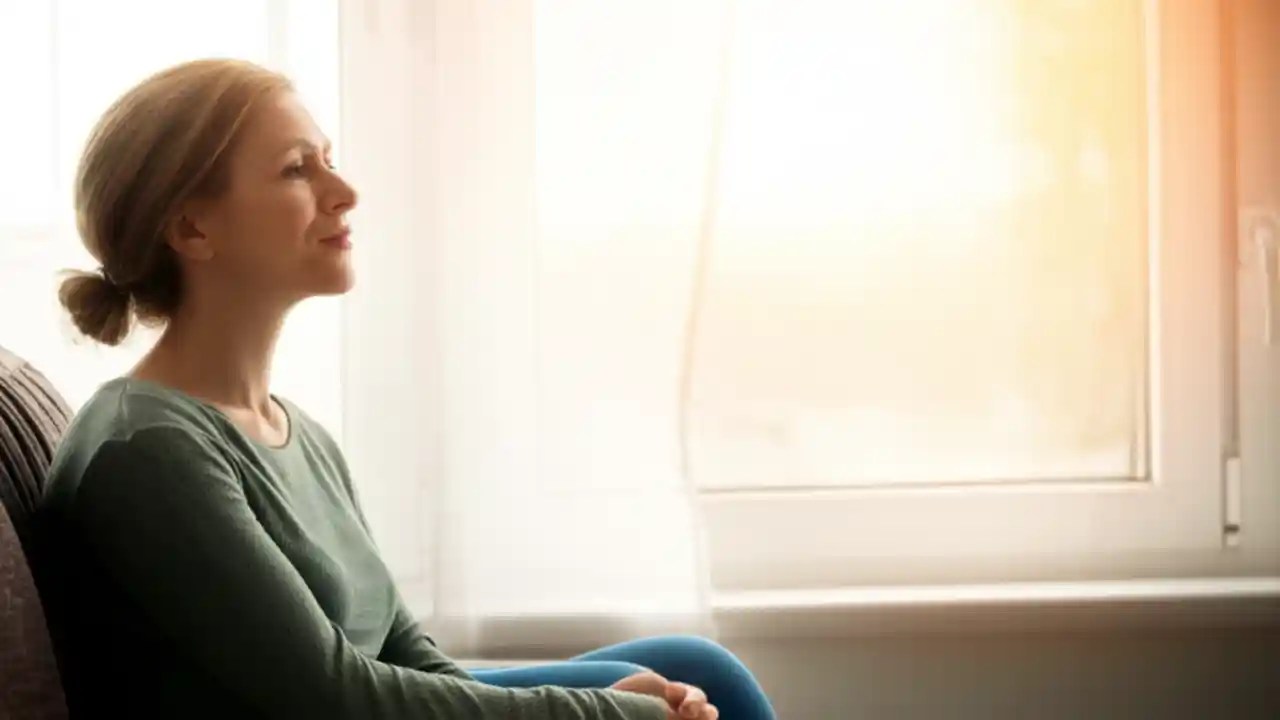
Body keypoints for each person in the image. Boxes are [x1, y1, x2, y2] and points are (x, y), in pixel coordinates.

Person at [37, 58, 776, 720]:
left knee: (689, 667)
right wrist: (606, 717)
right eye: (299, 169)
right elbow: (334, 696)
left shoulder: (296, 434)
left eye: (329, 160)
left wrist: (600, 709)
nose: (345, 190)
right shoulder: (147, 451)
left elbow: (407, 654)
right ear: (192, 228)